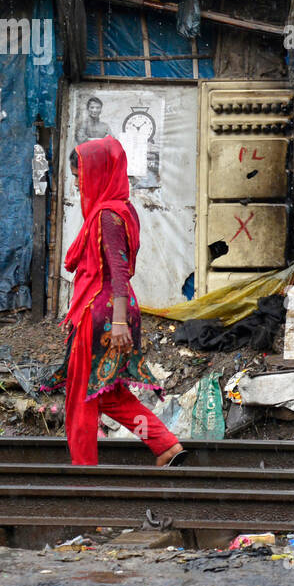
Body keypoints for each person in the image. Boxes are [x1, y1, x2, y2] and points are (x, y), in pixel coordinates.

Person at [54, 136, 185, 467]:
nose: (76, 185)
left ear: (97, 174)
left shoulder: (106, 217)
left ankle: (86, 482)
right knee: (109, 396)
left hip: (103, 314)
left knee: (81, 401)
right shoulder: (123, 210)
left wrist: (119, 322)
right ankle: (165, 444)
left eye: (79, 178)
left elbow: (119, 271)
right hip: (112, 312)